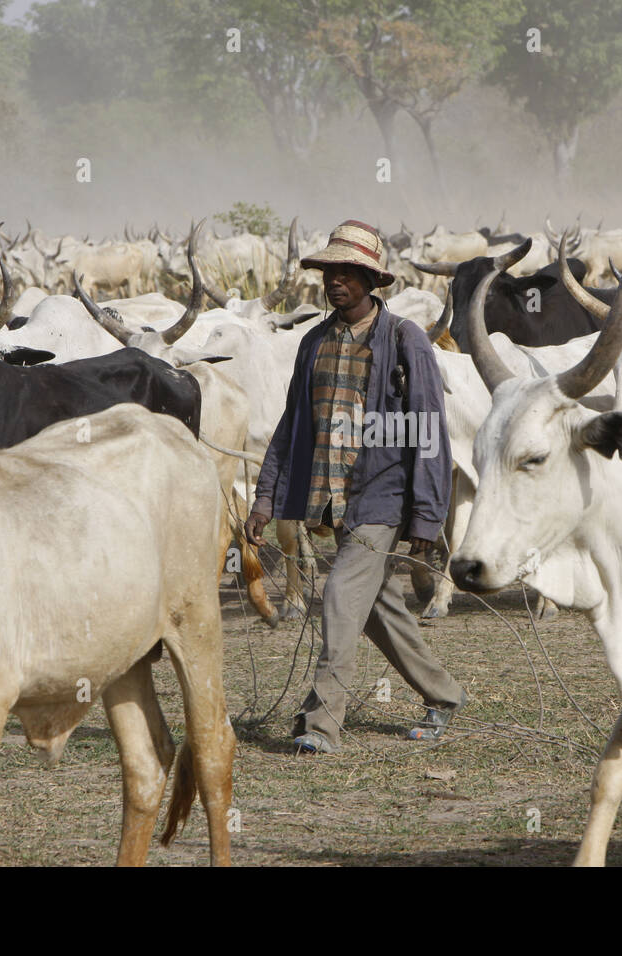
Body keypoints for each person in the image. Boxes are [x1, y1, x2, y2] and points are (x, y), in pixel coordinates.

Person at [246, 220, 466, 754]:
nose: (336, 282)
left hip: (381, 499)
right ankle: (444, 695)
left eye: (349, 273)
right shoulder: (313, 343)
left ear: (372, 280)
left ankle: (320, 725)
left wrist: (427, 518)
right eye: (330, 272)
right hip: (329, 500)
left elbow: (429, 431)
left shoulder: (404, 340)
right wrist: (265, 498)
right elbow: (291, 425)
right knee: (375, 607)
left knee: (342, 596)